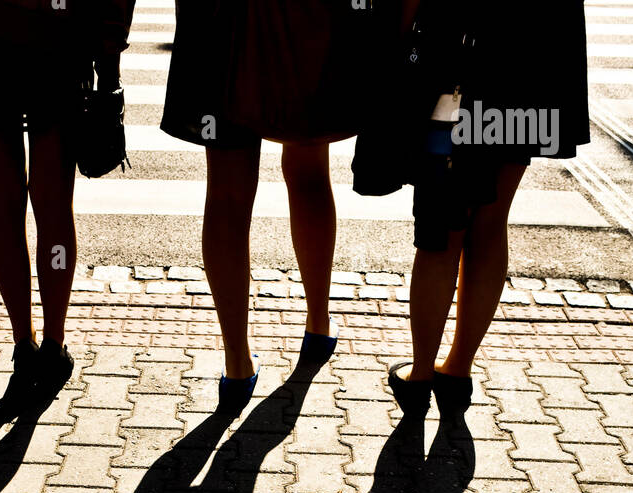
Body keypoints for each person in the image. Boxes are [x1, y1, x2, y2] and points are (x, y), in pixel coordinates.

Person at [355, 0, 590, 421]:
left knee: (442, 229)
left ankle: (421, 374)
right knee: (491, 220)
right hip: (533, 65)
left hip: (458, 69)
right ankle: (458, 369)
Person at [162, 0, 388, 415]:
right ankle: (318, 323)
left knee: (227, 197)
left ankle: (236, 364)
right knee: (308, 171)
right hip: (307, 25)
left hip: (224, 29)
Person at [0, 0, 136, 413]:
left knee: (3, 198)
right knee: (53, 203)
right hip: (55, 34)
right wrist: (109, 58)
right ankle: (53, 344)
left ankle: (23, 343)